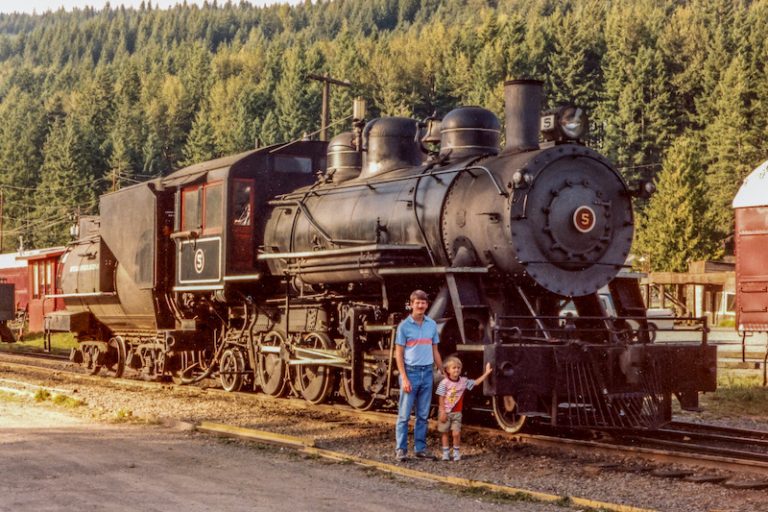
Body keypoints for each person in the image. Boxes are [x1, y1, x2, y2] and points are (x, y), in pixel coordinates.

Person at [394, 289, 443, 462]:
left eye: (423, 303)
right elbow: (398, 353)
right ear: (412, 304)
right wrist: (404, 377)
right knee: (404, 415)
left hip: (427, 373)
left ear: (427, 305)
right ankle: (401, 449)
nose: (420, 306)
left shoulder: (431, 325)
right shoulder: (404, 326)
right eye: (417, 303)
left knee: (423, 415)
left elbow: (435, 350)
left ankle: (420, 449)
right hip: (411, 373)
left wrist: (441, 369)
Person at [436, 356, 493, 461]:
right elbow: (441, 397)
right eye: (454, 368)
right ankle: (446, 453)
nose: (456, 370)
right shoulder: (444, 383)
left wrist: (486, 373)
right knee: (445, 433)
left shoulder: (463, 381)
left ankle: (456, 453)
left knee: (456, 433)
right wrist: (442, 411)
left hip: (457, 413)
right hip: (445, 412)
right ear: (448, 370)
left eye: (458, 368)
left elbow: (476, 383)